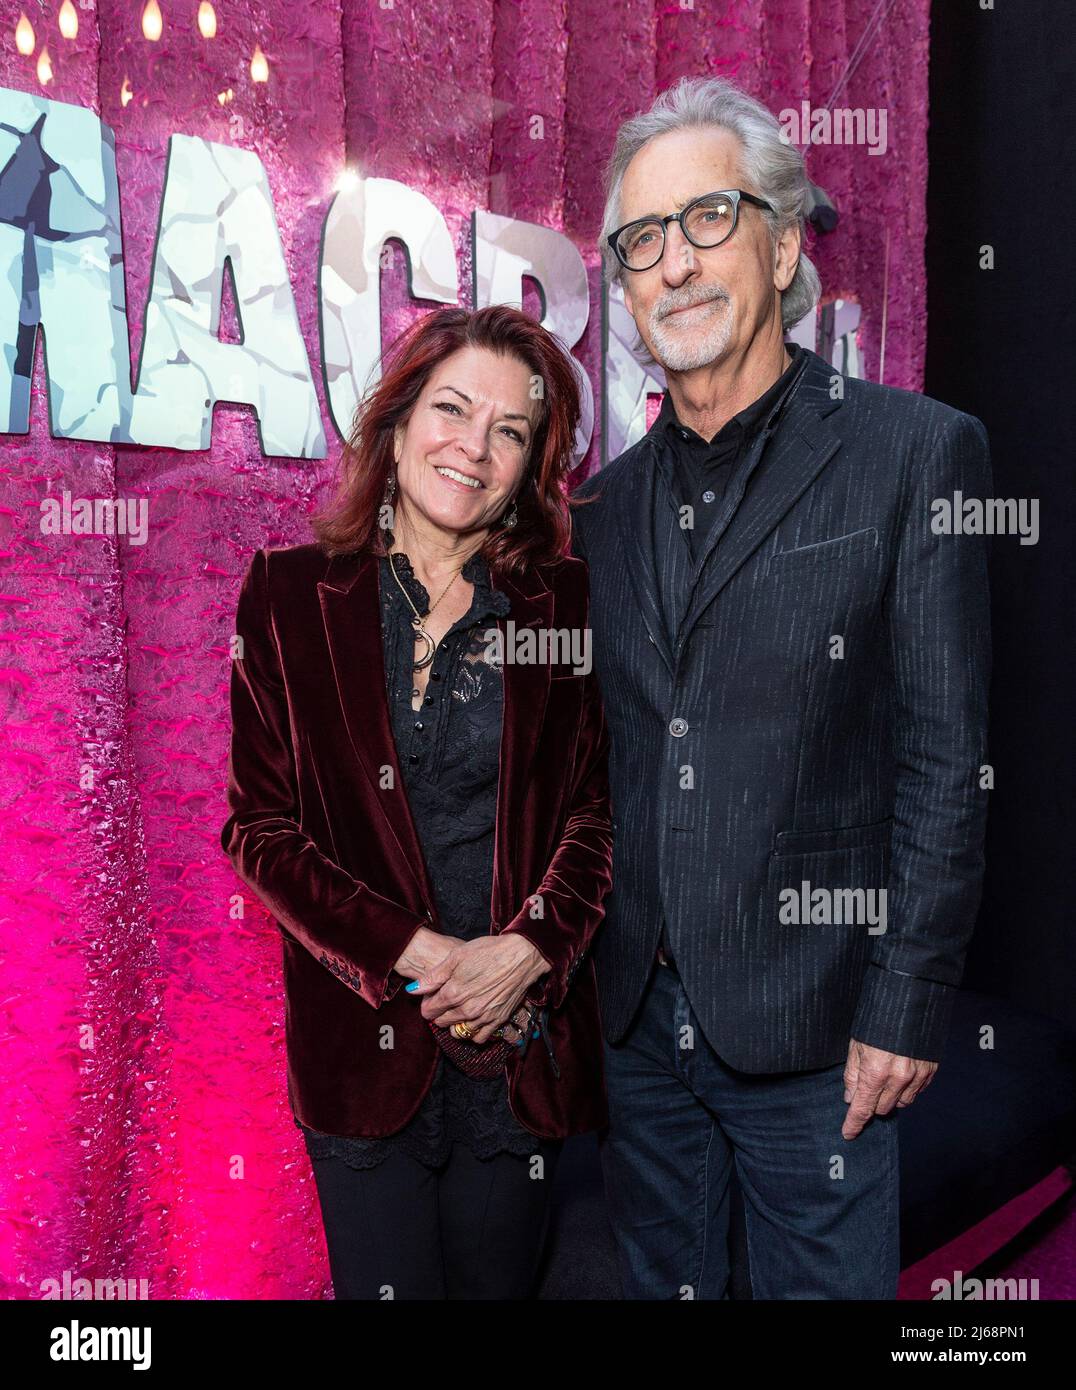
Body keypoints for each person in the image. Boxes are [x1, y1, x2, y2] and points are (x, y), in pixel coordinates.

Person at [570, 75, 991, 1299]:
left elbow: (943, 755)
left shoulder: (915, 453)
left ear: (782, 237)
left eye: (706, 218)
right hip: (640, 1028)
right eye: (640, 240)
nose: (673, 264)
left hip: (818, 1031)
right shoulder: (599, 505)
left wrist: (907, 1001)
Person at [220, 304, 612, 1300]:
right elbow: (258, 828)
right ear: (394, 424)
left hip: (516, 1054)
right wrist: (421, 955)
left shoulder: (560, 603)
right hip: (362, 1059)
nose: (472, 448)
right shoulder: (286, 592)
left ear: (533, 464)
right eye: (450, 408)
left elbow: (591, 813)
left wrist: (526, 952)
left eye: (510, 430)